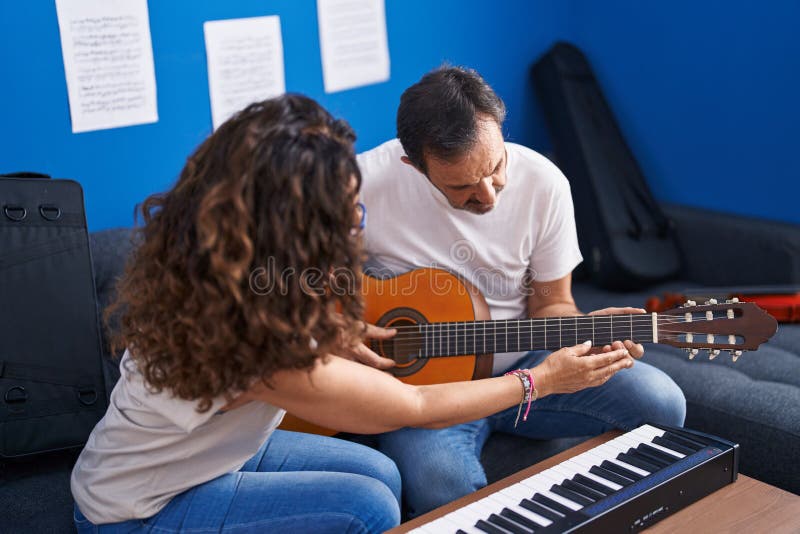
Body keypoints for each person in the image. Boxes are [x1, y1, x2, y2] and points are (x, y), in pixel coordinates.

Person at [69, 94, 634, 533]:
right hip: (138, 509)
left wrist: (331, 334)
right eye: (344, 210)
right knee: (366, 507)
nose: (355, 222)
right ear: (294, 227)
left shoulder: (228, 268)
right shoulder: (260, 343)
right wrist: (543, 379)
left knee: (383, 472)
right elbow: (414, 404)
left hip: (203, 453)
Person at [355, 66, 687, 517]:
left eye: (495, 167)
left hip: (528, 363)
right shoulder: (362, 185)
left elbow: (552, 302)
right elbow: (305, 281)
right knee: (441, 483)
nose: (489, 196)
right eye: (463, 187)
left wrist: (586, 331)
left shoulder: (545, 184)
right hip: (427, 392)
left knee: (661, 402)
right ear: (413, 165)